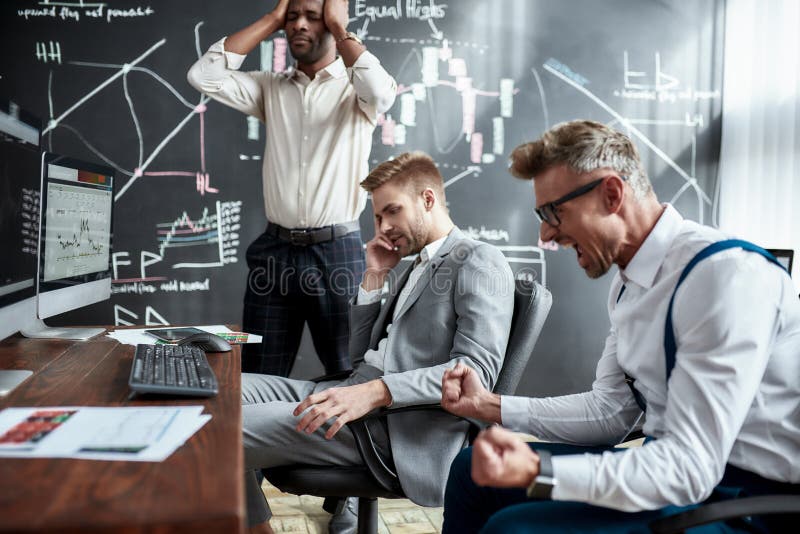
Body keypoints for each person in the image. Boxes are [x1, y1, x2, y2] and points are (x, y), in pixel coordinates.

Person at [440, 120, 800, 533]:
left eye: (553, 212)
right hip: (671, 474)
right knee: (471, 470)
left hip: (744, 503)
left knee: (513, 529)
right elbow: (611, 412)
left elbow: (690, 468)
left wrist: (540, 471)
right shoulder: (629, 286)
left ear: (611, 194)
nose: (546, 233)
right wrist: (488, 405)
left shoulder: (724, 278)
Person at [241, 152, 514, 533]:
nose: (383, 227)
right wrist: (373, 278)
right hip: (351, 392)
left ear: (428, 199)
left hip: (396, 428)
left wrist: (374, 392)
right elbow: (361, 359)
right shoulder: (416, 265)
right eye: (377, 217)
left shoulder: (478, 260)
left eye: (392, 211)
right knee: (222, 394)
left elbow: (474, 372)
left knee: (219, 429)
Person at [187, 0, 397, 377]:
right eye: (293, 17)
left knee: (351, 375)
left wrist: (339, 27)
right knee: (257, 379)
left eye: (312, 17)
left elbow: (383, 93)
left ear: (332, 23)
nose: (299, 24)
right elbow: (203, 76)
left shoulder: (357, 90)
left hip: (338, 252)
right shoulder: (271, 87)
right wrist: (272, 19)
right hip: (275, 251)